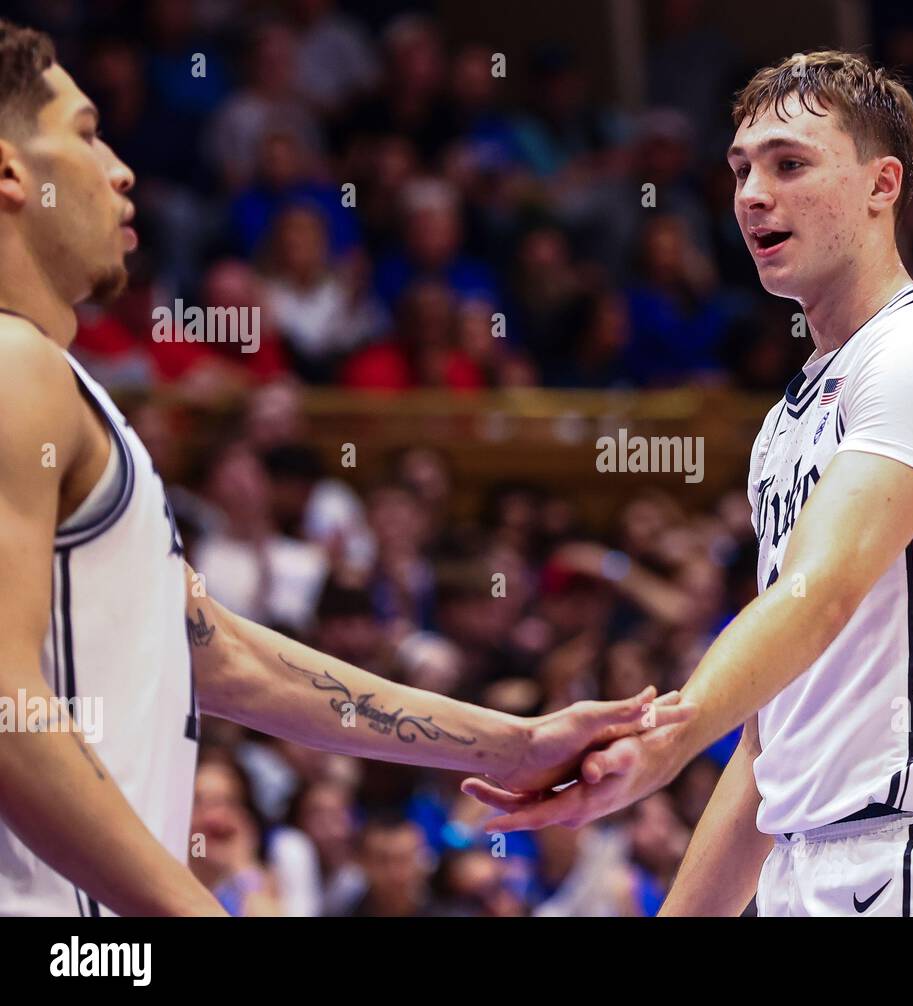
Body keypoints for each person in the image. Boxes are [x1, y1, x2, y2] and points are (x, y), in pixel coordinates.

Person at [0, 19, 686, 917]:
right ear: (10, 173)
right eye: (87, 133)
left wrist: (507, 745)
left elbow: (229, 656)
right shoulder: (14, 367)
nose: (121, 169)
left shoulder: (55, 383)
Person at [466, 50, 913, 917]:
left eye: (789, 163)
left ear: (881, 184)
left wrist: (667, 735)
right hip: (801, 868)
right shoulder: (787, 424)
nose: (750, 193)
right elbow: (768, 740)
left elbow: (818, 592)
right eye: (741, 169)